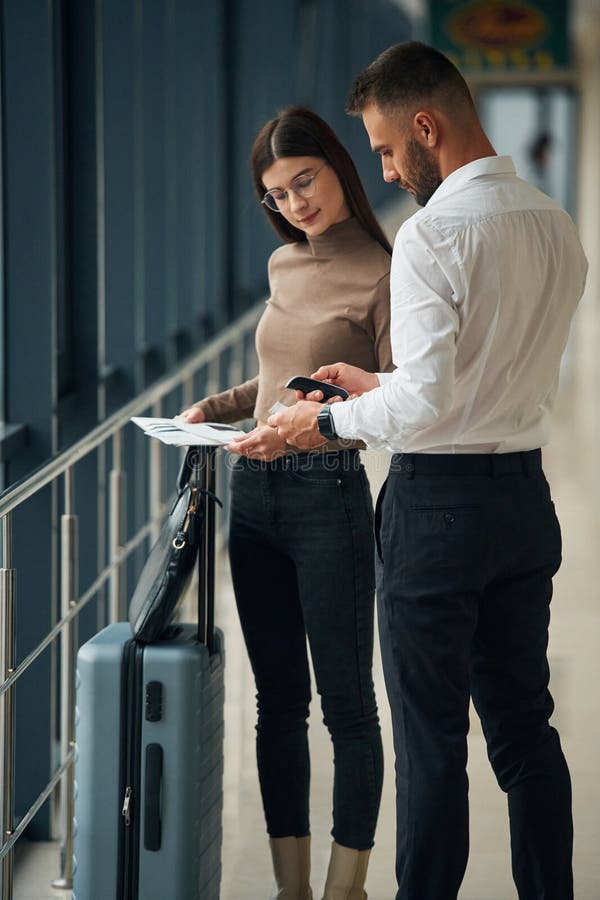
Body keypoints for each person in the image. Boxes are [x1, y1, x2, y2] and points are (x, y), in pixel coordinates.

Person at [268, 43, 588, 900]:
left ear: (424, 126)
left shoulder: (430, 236)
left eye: (380, 147)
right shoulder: (556, 225)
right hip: (523, 500)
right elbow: (482, 377)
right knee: (526, 730)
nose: (382, 165)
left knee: (432, 742)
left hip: (437, 513)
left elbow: (426, 407)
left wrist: (323, 419)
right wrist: (385, 383)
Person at [181, 106, 393, 899]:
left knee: (347, 706)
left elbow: (399, 397)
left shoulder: (382, 271)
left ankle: (346, 888)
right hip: (254, 499)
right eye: (277, 194)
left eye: (304, 181)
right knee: (277, 704)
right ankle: (292, 888)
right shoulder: (285, 265)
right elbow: (279, 372)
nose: (295, 204)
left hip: (326, 500)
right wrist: (222, 406)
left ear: (339, 166)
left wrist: (301, 438)